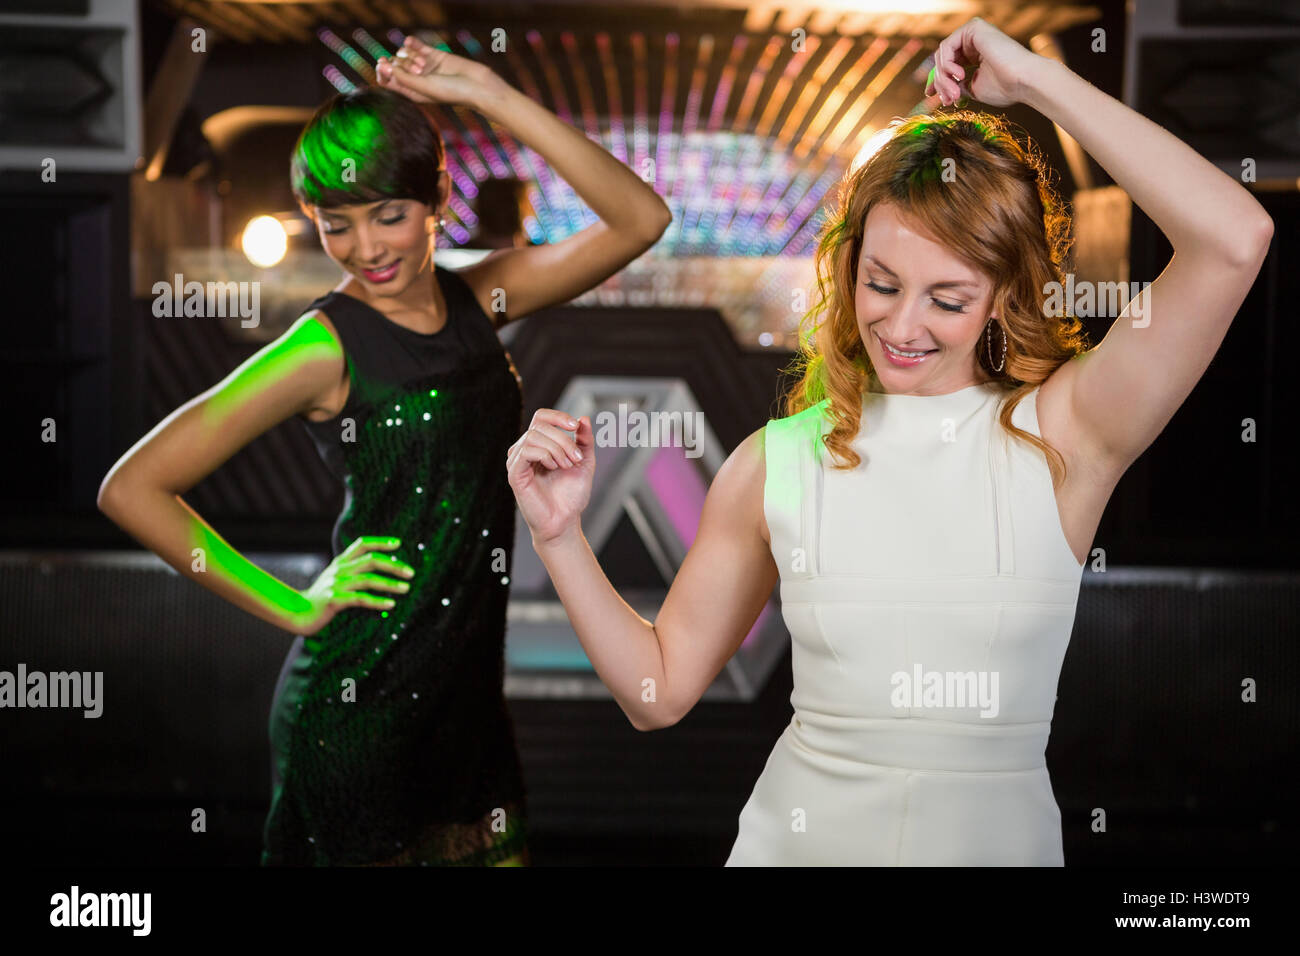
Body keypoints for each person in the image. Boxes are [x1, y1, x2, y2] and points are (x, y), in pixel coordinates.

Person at [504, 17, 1272, 864]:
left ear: (1002, 298)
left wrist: (1035, 84)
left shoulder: (1067, 434)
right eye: (881, 283)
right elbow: (658, 693)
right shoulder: (778, 459)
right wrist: (559, 536)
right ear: (848, 267)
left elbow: (1234, 239)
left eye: (947, 298)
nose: (902, 326)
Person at [96, 35, 671, 865]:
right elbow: (132, 488)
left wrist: (488, 92)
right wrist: (292, 604)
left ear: (437, 197)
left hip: (468, 707)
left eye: (389, 215)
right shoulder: (323, 347)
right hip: (357, 714)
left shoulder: (482, 298)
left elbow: (641, 219)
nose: (368, 249)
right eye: (338, 225)